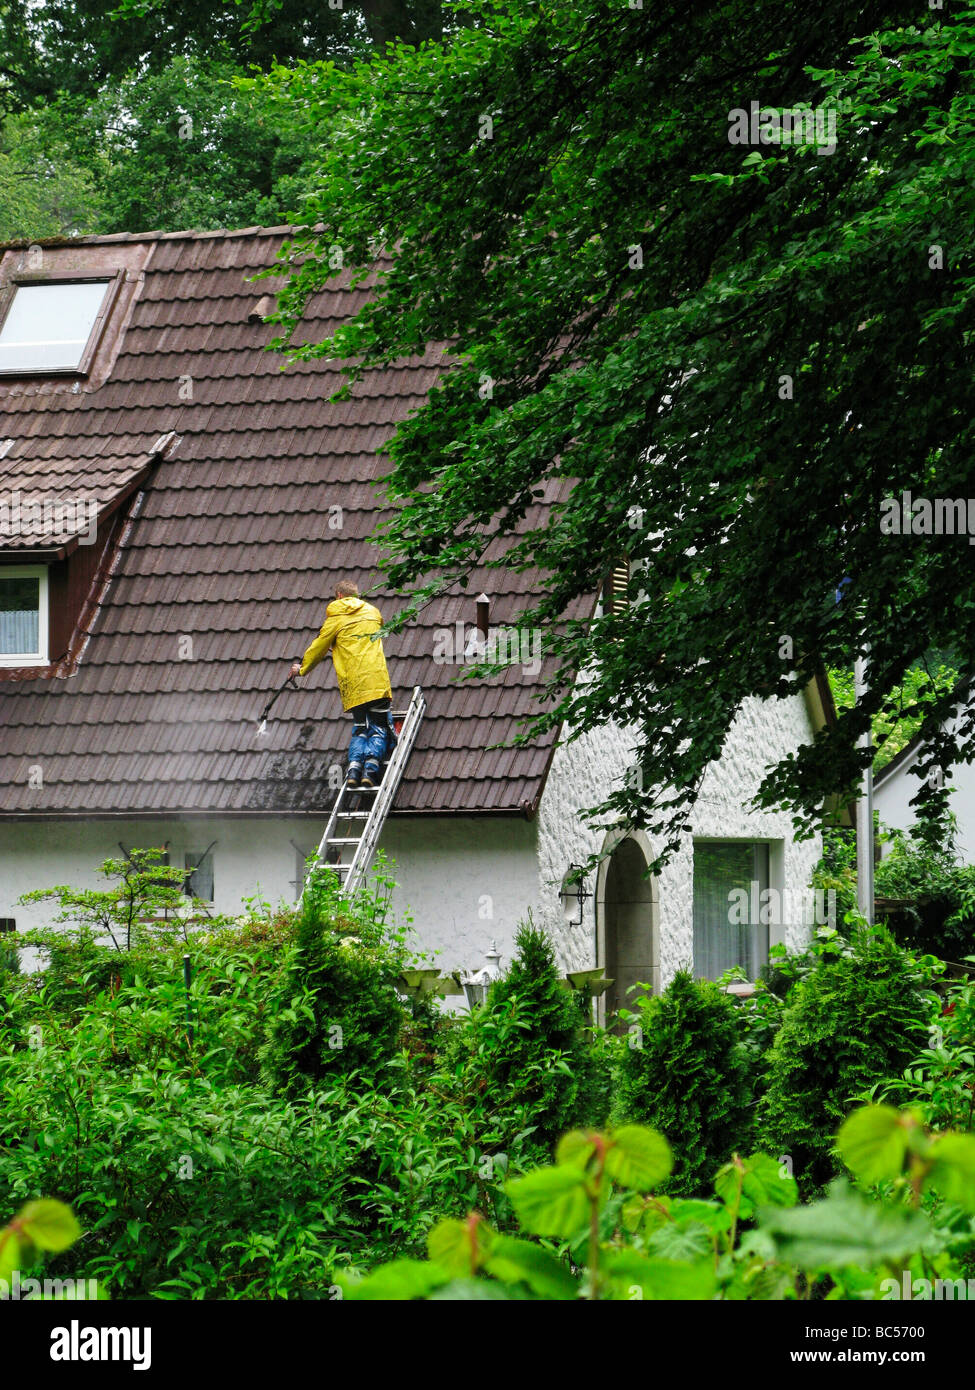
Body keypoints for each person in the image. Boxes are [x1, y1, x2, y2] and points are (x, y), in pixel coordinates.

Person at [289, 580, 396, 789]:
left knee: (360, 729)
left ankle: (354, 771)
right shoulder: (373, 613)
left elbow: (318, 647)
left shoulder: (336, 618)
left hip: (353, 686)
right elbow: (361, 640)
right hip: (376, 681)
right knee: (379, 729)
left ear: (339, 596)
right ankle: (371, 771)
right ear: (356, 595)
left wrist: (301, 670)